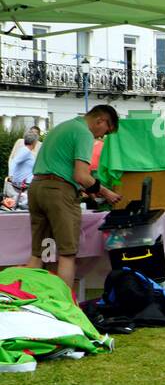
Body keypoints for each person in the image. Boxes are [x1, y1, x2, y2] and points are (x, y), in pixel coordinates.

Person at [23, 106, 122, 292]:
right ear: (100, 120)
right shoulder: (84, 133)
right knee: (67, 253)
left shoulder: (62, 127)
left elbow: (61, 166)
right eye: (105, 132)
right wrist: (106, 192)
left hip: (37, 188)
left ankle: (30, 302)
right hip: (58, 193)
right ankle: (66, 306)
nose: (101, 137)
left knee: (39, 253)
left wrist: (87, 188)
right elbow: (81, 176)